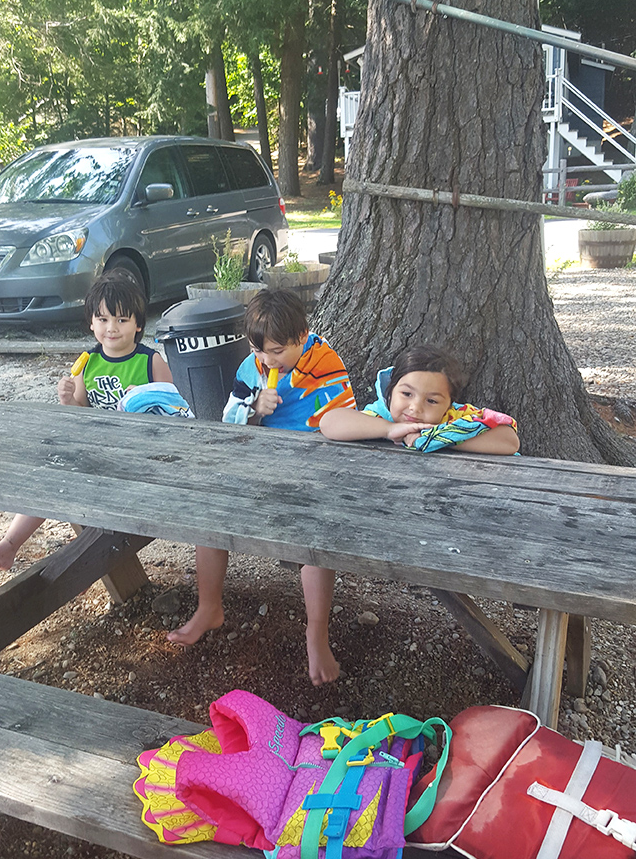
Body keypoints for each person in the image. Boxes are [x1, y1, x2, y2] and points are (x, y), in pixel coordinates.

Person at [166, 288, 356, 686]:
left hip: (314, 469)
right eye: (260, 350)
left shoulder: (325, 362)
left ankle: (316, 632)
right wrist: (253, 410)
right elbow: (229, 421)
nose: (268, 360)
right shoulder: (252, 368)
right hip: (262, 466)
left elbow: (343, 419)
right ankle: (209, 607)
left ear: (303, 336)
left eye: (277, 351)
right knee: (210, 516)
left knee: (316, 541)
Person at [0, 269, 175, 571]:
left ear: (138, 324)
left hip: (138, 456)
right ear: (92, 322)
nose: (112, 328)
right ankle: (9, 545)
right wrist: (68, 399)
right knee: (50, 473)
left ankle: (81, 564)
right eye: (103, 319)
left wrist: (147, 397)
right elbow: (79, 413)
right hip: (95, 451)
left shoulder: (150, 361)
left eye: (122, 320)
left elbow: (176, 409)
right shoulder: (87, 363)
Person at [319, 343, 519, 454]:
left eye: (431, 401)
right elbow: (329, 422)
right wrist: (390, 430)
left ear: (449, 403)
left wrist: (435, 438)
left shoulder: (455, 418)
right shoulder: (382, 415)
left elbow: (509, 442)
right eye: (406, 394)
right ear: (391, 389)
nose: (415, 408)